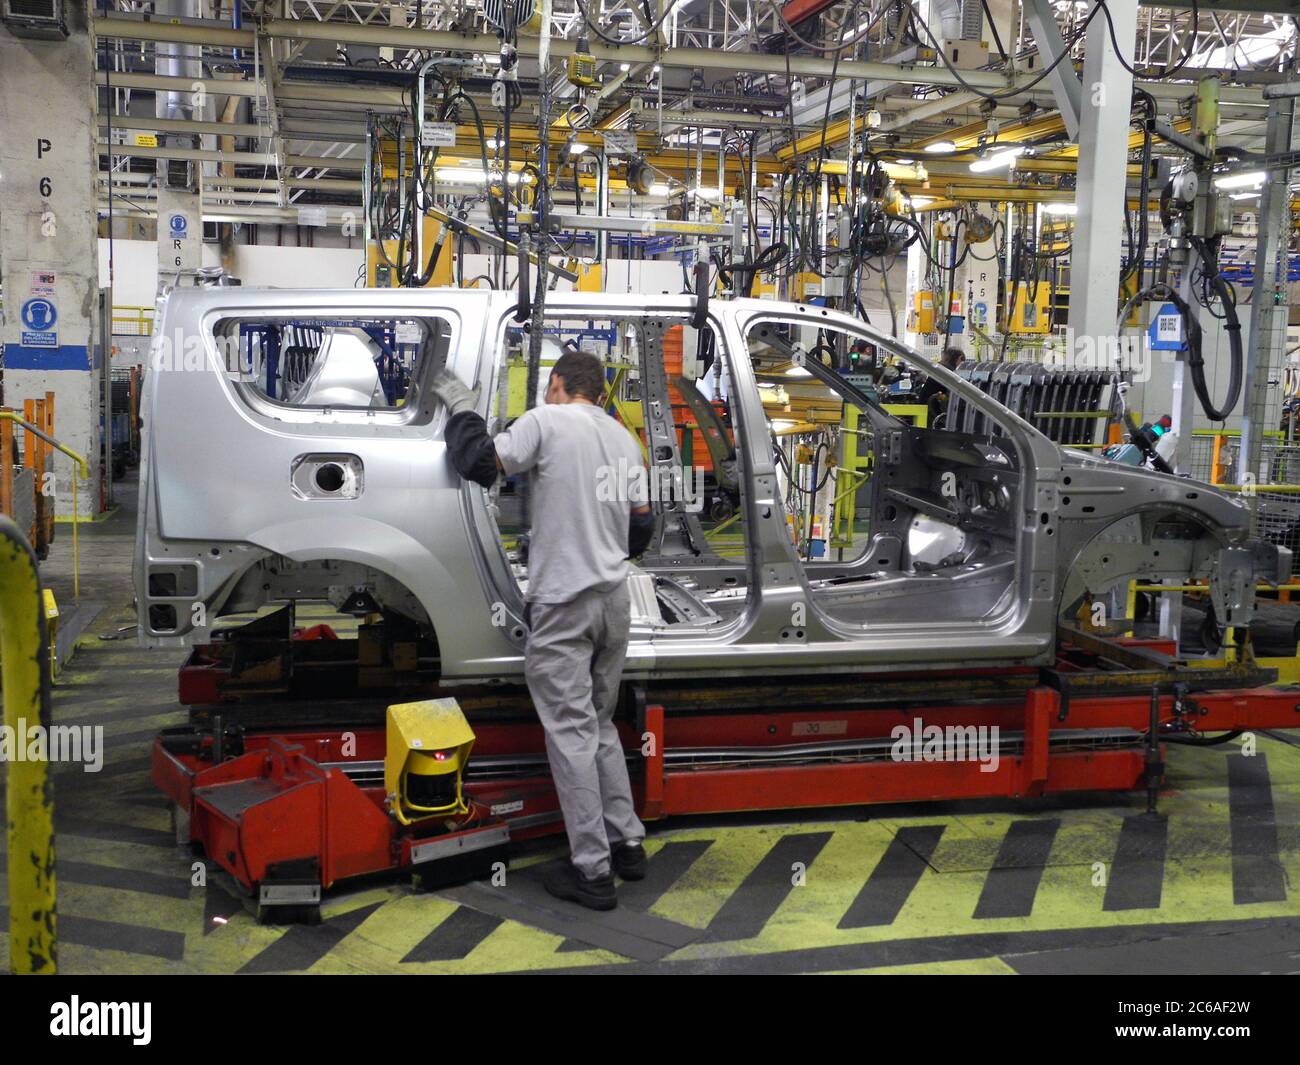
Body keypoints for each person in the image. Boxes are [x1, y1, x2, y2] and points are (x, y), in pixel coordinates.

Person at [431, 351, 654, 911]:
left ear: (556, 384)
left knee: (571, 733)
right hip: (614, 602)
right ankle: (628, 844)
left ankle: (593, 872)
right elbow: (642, 527)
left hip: (564, 605)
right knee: (598, 723)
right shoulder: (626, 443)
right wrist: (598, 546)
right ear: (600, 393)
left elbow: (482, 464)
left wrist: (460, 406)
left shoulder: (545, 421)